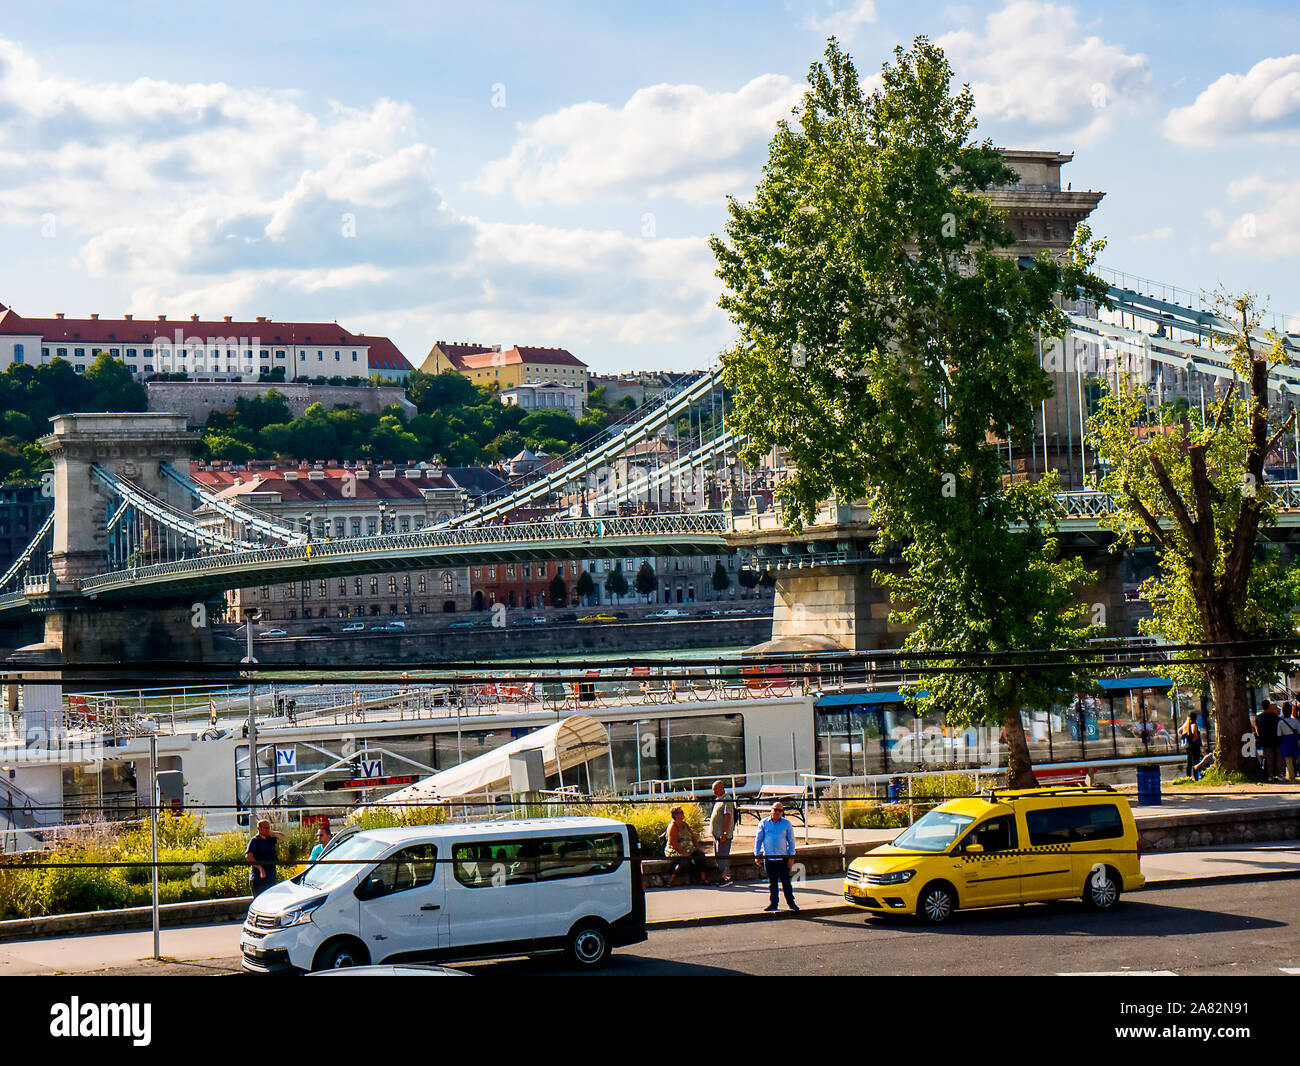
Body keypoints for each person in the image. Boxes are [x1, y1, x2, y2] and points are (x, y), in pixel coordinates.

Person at [753, 802, 799, 913]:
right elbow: (758, 840)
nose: (777, 813)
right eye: (775, 810)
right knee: (772, 883)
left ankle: (791, 903)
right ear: (771, 810)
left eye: (780, 811)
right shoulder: (763, 823)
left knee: (786, 882)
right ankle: (773, 904)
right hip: (769, 859)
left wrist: (791, 857)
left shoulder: (786, 824)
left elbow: (791, 841)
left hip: (782, 858)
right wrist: (757, 855)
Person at [664, 806, 711, 886]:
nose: (683, 813)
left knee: (701, 856)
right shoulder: (673, 827)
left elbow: (693, 837)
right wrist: (683, 853)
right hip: (675, 851)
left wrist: (697, 847)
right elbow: (673, 843)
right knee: (685, 861)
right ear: (676, 815)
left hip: (689, 850)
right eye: (681, 812)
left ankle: (703, 879)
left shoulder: (685, 824)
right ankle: (670, 880)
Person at [245, 818, 284, 897]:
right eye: (265, 828)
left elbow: (282, 837)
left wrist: (271, 832)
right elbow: (248, 856)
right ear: (258, 828)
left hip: (271, 874)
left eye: (268, 828)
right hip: (259, 876)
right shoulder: (254, 841)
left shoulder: (270, 839)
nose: (267, 830)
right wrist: (260, 867)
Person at [708, 780, 736, 885]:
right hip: (717, 835)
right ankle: (724, 878)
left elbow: (727, 816)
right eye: (713, 789)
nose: (714, 791)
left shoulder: (727, 799)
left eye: (715, 789)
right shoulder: (719, 799)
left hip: (723, 835)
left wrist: (724, 833)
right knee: (719, 858)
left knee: (722, 858)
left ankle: (727, 879)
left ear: (722, 788)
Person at [1255, 700, 1281, 781]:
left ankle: (1270, 775)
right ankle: (1280, 775)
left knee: (1269, 758)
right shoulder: (1275, 717)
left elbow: (1257, 731)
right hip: (1276, 739)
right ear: (1269, 706)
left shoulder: (1259, 717)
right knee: (1279, 758)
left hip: (1265, 740)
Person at [1278, 702, 1300, 783]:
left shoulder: (1281, 722)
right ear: (1291, 711)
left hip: (1285, 741)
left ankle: (1292, 777)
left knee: (1288, 761)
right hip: (1294, 740)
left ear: (1283, 711)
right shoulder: (1295, 721)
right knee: (1298, 758)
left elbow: (1279, 734)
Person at [1178, 712, 1202, 780]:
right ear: (1195, 718)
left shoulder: (1186, 725)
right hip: (1195, 746)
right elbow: (1195, 735)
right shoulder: (1194, 725)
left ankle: (1188, 777)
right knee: (1196, 762)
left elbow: (1179, 731)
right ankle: (1196, 777)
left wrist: (1187, 737)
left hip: (1188, 747)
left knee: (1189, 762)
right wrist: (1194, 741)